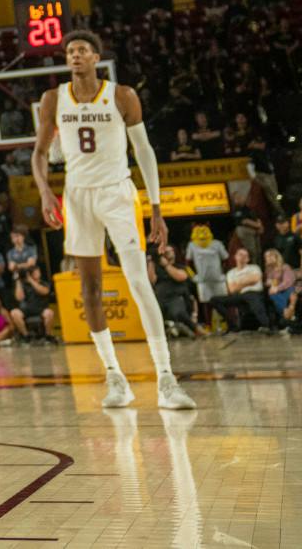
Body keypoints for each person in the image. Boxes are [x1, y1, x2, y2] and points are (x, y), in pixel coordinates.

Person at [32, 30, 194, 410]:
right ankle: (114, 376)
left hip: (118, 193)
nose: (75, 56)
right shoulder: (53, 99)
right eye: (70, 51)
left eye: (82, 50)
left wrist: (156, 208)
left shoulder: (122, 96)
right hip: (77, 196)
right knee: (89, 287)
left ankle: (166, 378)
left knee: (138, 281)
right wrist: (45, 192)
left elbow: (144, 150)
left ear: (96, 57)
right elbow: (39, 153)